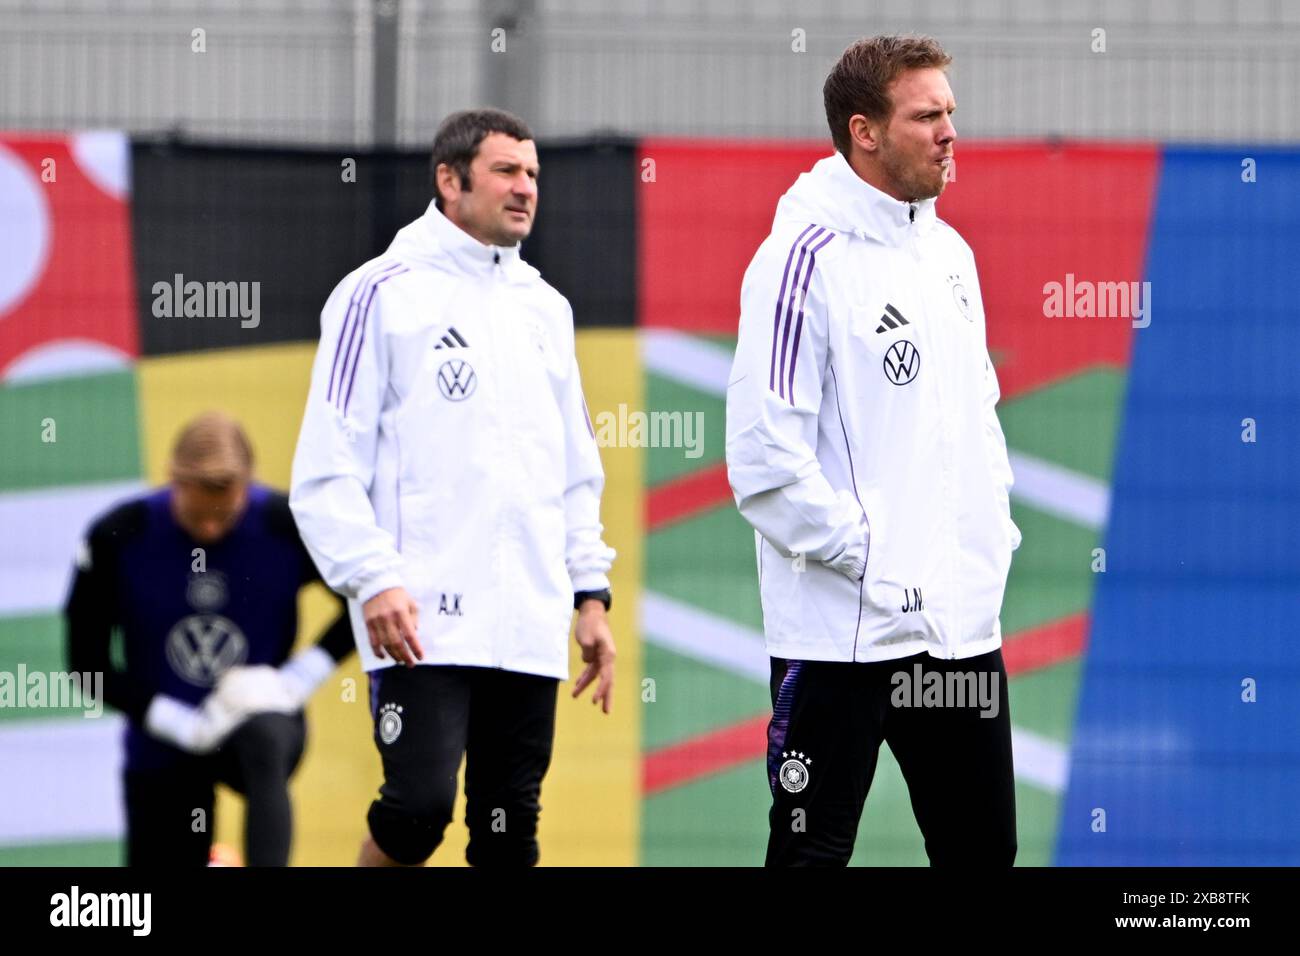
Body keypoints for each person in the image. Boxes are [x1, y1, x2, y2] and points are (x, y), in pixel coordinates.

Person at [289, 107, 617, 868]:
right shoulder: (379, 293)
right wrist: (373, 578)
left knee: (510, 833)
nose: (526, 189)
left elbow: (574, 468)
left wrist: (589, 594)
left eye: (533, 174)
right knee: (416, 813)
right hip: (421, 618)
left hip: (529, 619)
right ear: (450, 179)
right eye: (507, 171)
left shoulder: (546, 309)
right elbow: (326, 466)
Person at [725, 35, 1021, 866]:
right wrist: (872, 558)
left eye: (950, 114)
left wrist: (986, 543)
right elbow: (762, 459)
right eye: (927, 116)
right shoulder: (799, 260)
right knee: (810, 854)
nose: (949, 133)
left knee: (983, 855)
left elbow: (979, 419)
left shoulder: (950, 255)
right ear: (865, 131)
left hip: (958, 635)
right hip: (841, 640)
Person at [64, 410, 354, 866]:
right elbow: (86, 664)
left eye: (224, 517)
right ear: (173, 482)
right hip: (163, 735)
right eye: (198, 517)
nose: (211, 530)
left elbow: (366, 602)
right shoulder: (119, 535)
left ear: (248, 486)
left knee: (264, 735)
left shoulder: (286, 525)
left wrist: (296, 679)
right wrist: (178, 723)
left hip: (256, 717)